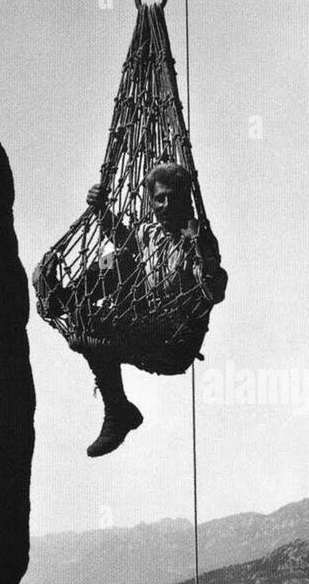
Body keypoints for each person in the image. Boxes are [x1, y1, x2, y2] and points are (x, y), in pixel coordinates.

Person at [82, 160, 226, 456]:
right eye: (159, 198)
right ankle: (118, 409)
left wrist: (200, 249)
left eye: (173, 197)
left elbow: (215, 289)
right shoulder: (148, 232)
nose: (165, 204)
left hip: (176, 342)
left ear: (186, 199)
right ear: (151, 201)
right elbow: (123, 239)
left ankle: (118, 413)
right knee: (87, 319)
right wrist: (101, 209)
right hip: (148, 325)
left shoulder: (198, 240)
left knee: (97, 331)